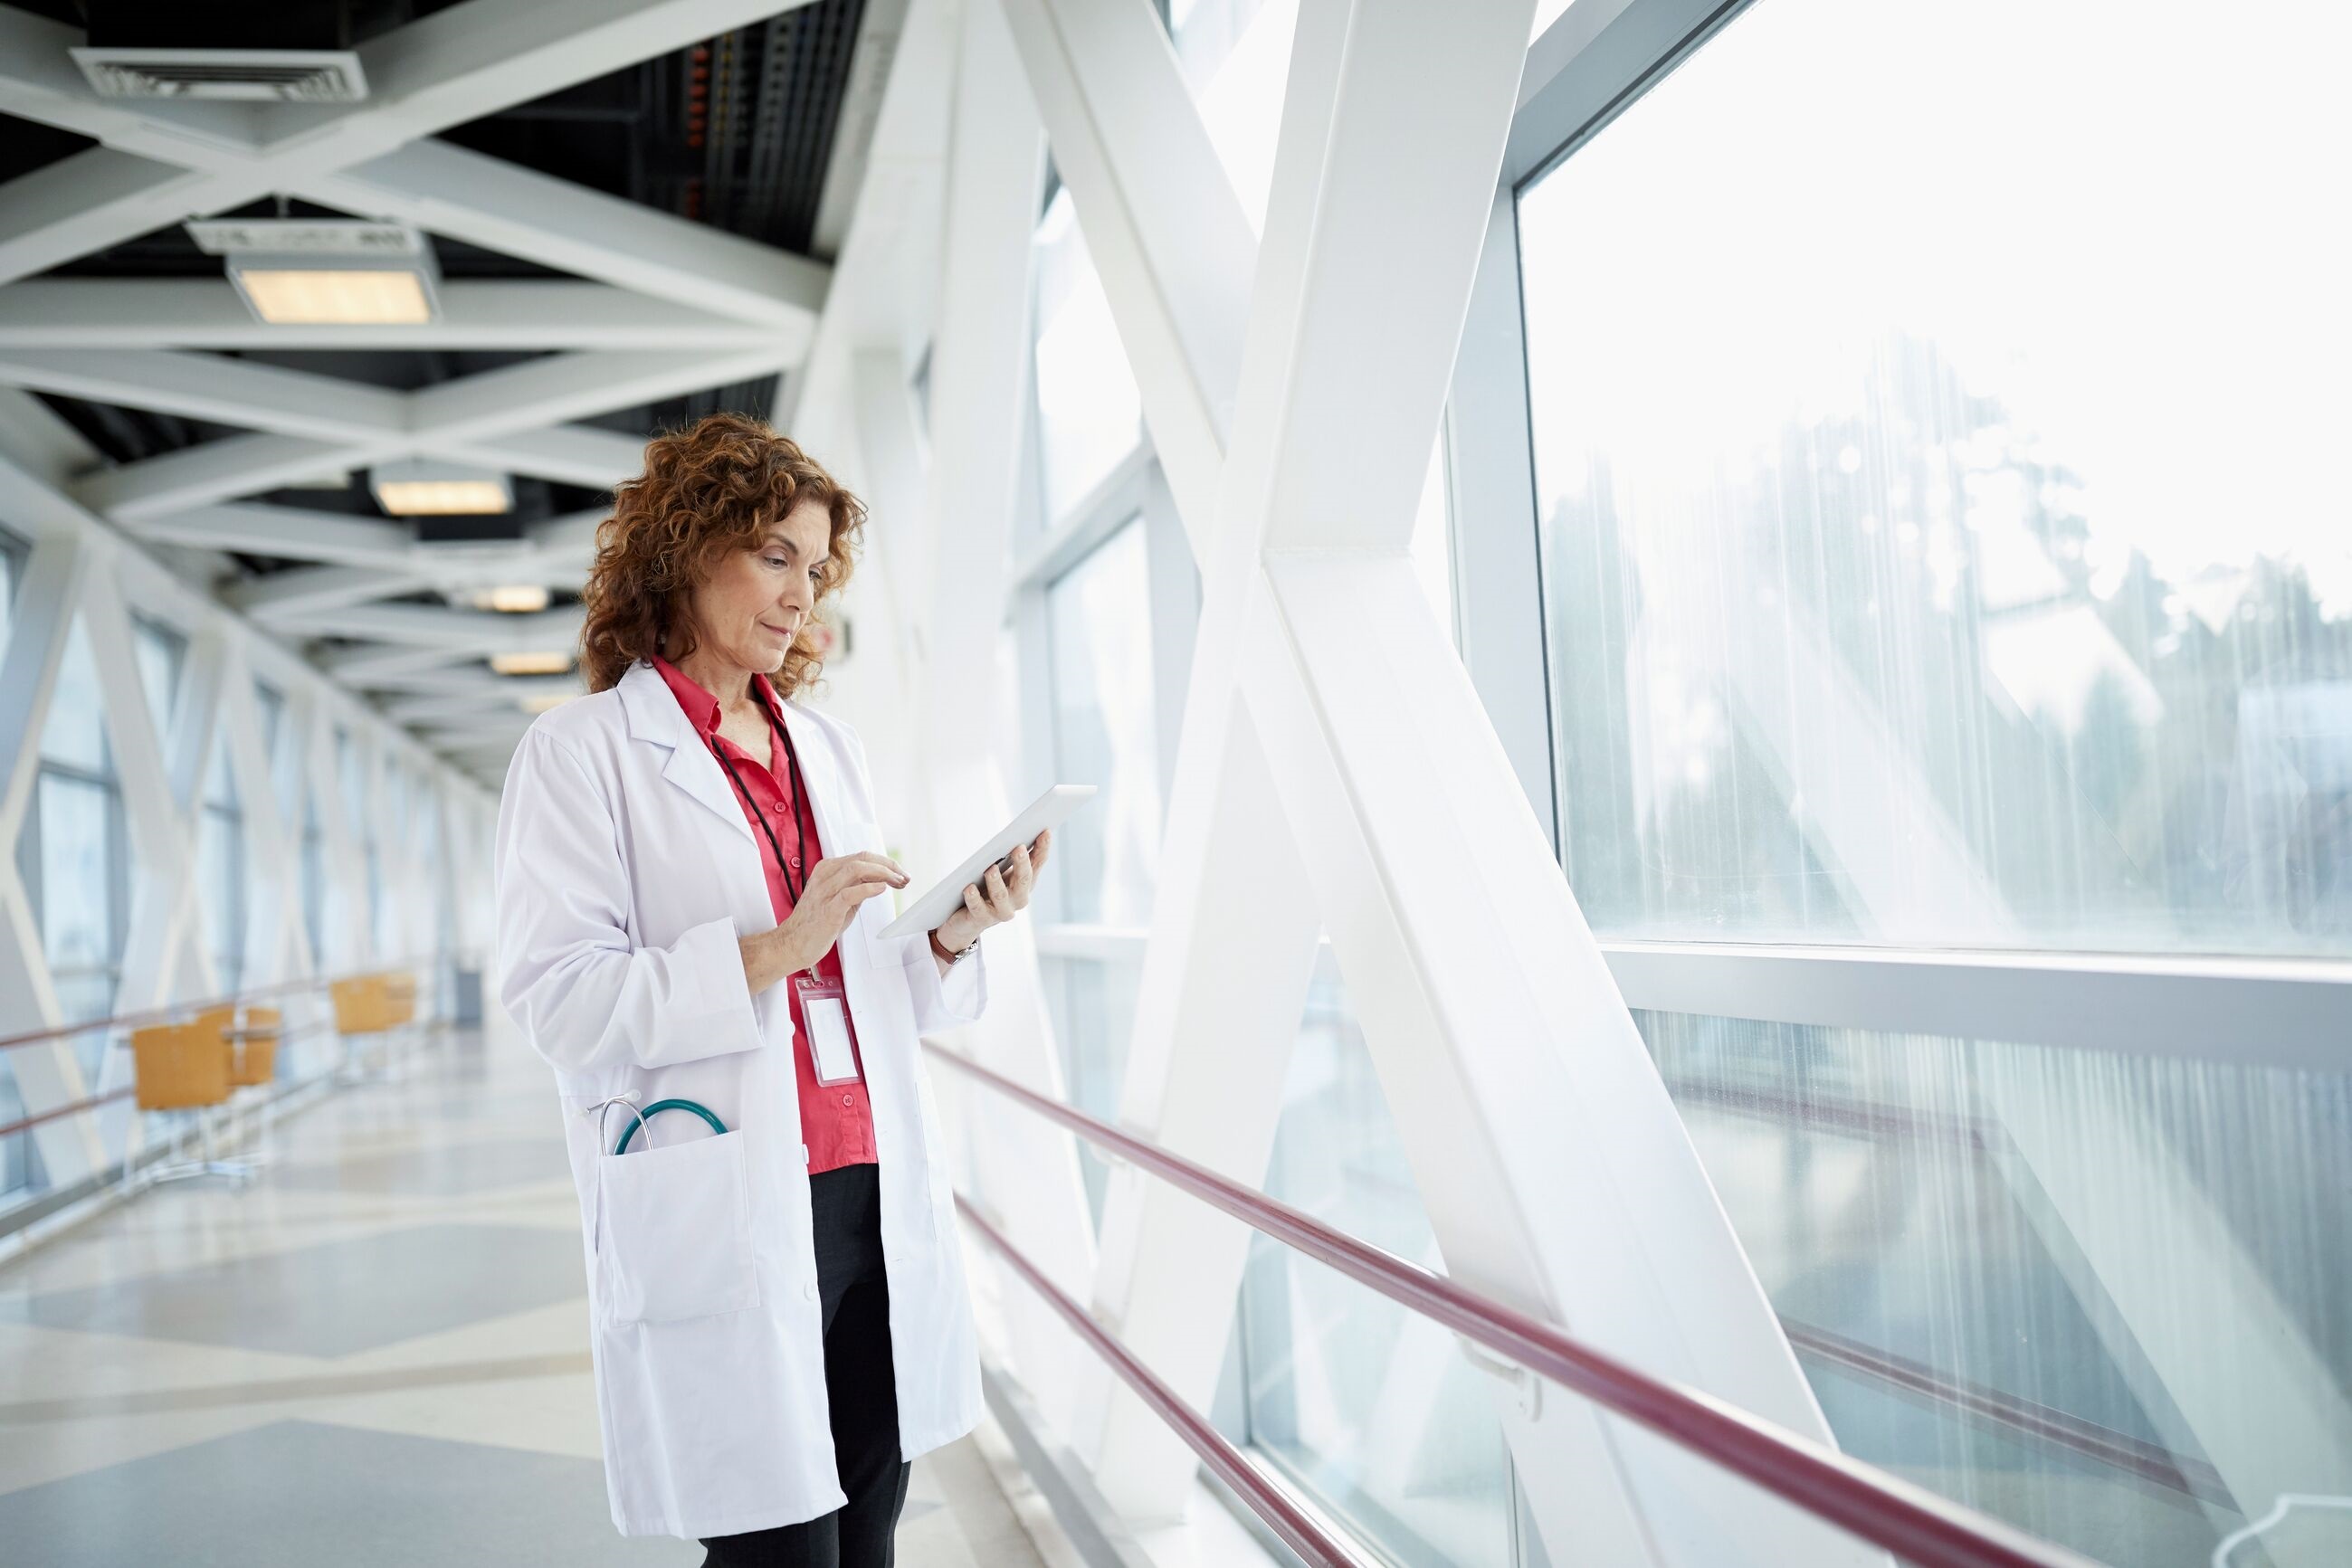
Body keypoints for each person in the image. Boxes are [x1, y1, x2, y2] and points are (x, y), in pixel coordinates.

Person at [494, 412, 1047, 1565]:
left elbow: (854, 978)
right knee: (776, 1550)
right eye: (774, 556)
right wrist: (770, 950)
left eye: (816, 564)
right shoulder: (581, 752)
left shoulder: (825, 750)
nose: (802, 592)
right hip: (728, 1197)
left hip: (866, 1187)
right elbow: (558, 997)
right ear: (689, 551)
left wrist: (945, 937)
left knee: (868, 1538)